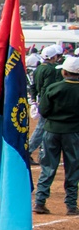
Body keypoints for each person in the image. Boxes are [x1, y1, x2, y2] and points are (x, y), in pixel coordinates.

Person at [35, 55, 79, 215]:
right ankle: (71, 205)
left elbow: (44, 111)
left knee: (48, 166)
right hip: (73, 132)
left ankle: (40, 201)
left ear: (65, 72)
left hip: (52, 130)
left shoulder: (53, 88)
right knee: (73, 167)